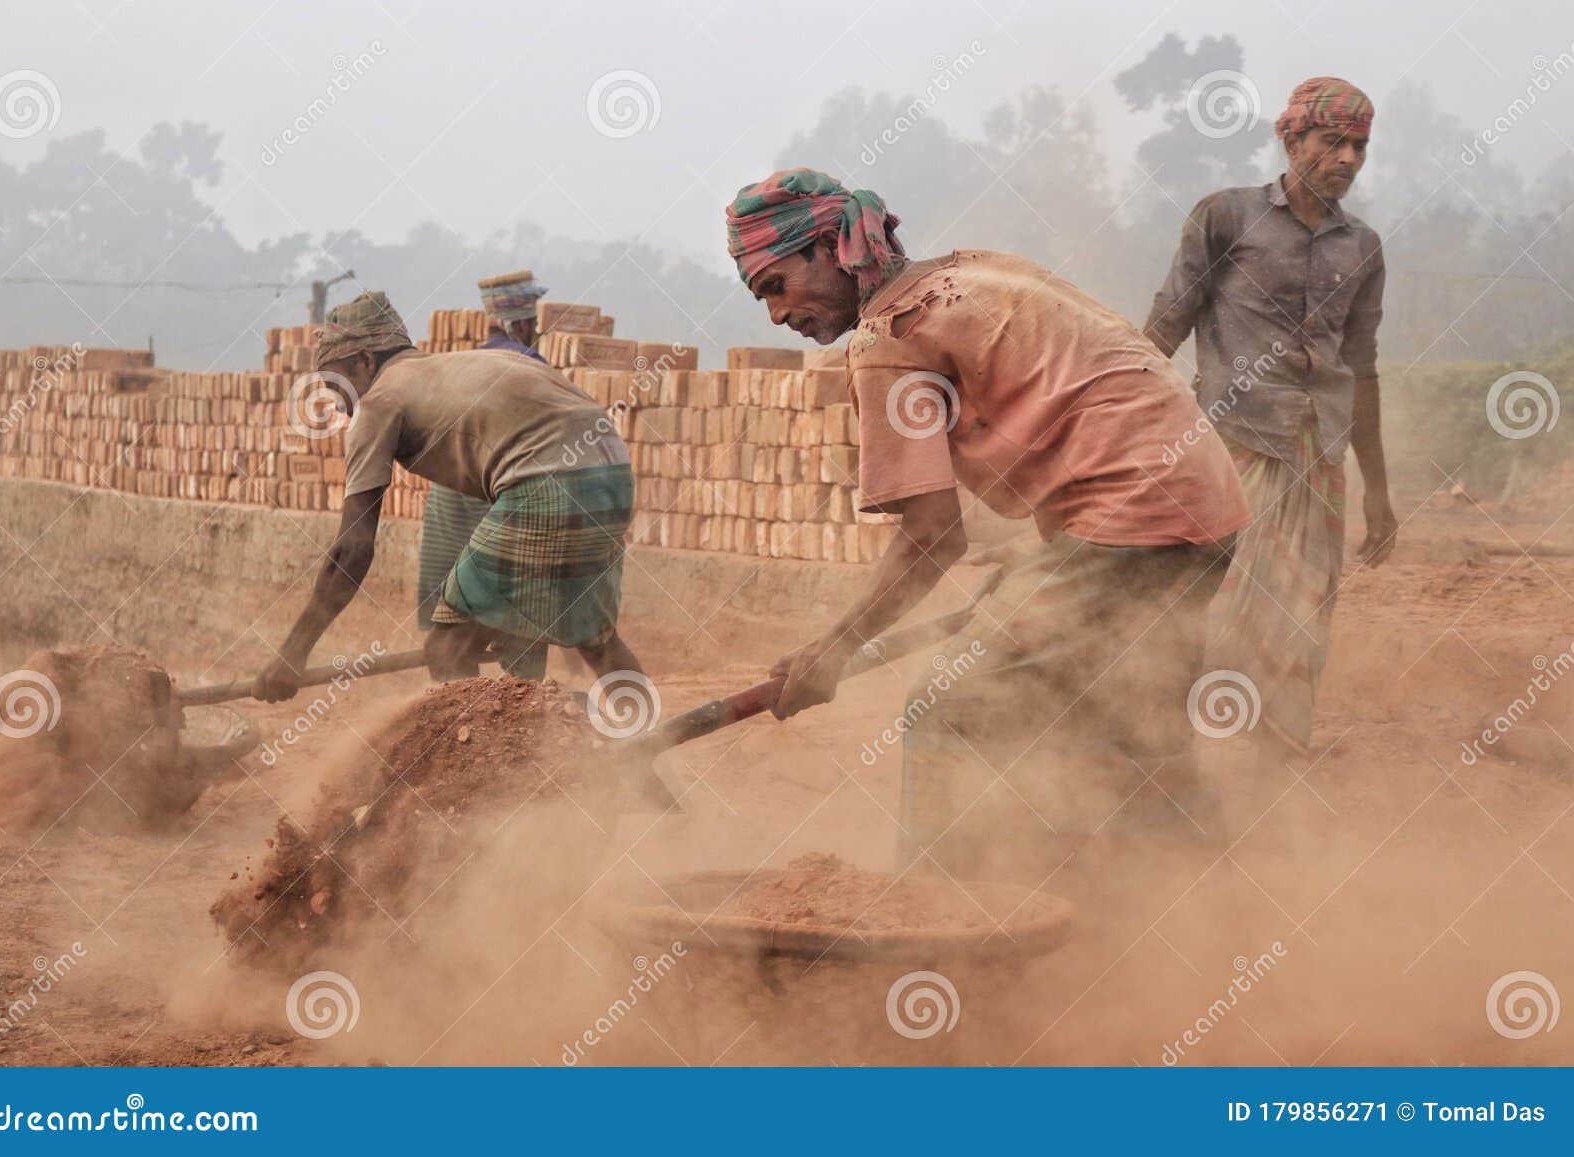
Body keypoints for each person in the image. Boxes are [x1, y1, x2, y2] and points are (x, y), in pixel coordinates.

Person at [725, 169, 1250, 875]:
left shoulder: (887, 338)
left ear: (826, 247)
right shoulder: (973, 270)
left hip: (1130, 516)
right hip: (1206, 500)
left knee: (948, 715)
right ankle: (1195, 906)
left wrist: (836, 646)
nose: (777, 315)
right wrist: (1055, 562)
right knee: (1132, 726)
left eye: (774, 286)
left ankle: (935, 935)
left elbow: (934, 537)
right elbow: (1078, 401)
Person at [1143, 77, 1393, 764]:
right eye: (1331, 141)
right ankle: (1185, 755)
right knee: (1214, 609)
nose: (1347, 158)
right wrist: (1118, 428)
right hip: (1230, 448)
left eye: (1360, 146)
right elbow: (1165, 325)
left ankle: (1274, 762)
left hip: (1320, 457)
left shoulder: (1363, 248)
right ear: (1292, 139)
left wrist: (1380, 489)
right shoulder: (1226, 217)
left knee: (1304, 614)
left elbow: (1362, 367)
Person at [253, 290, 641, 701]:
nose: (341, 406)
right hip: (612, 474)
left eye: (338, 383)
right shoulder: (469, 363)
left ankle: (499, 762)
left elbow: (353, 549)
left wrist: (293, 652)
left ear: (367, 361)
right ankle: (639, 747)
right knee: (597, 642)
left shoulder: (380, 400)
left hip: (548, 483)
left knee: (447, 648)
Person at [415, 271, 551, 656]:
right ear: (522, 323)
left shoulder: (467, 363)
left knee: (451, 607)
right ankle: (516, 692)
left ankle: (455, 689)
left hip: (447, 488)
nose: (535, 330)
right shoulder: (530, 366)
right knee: (520, 608)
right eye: (534, 324)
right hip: (495, 487)